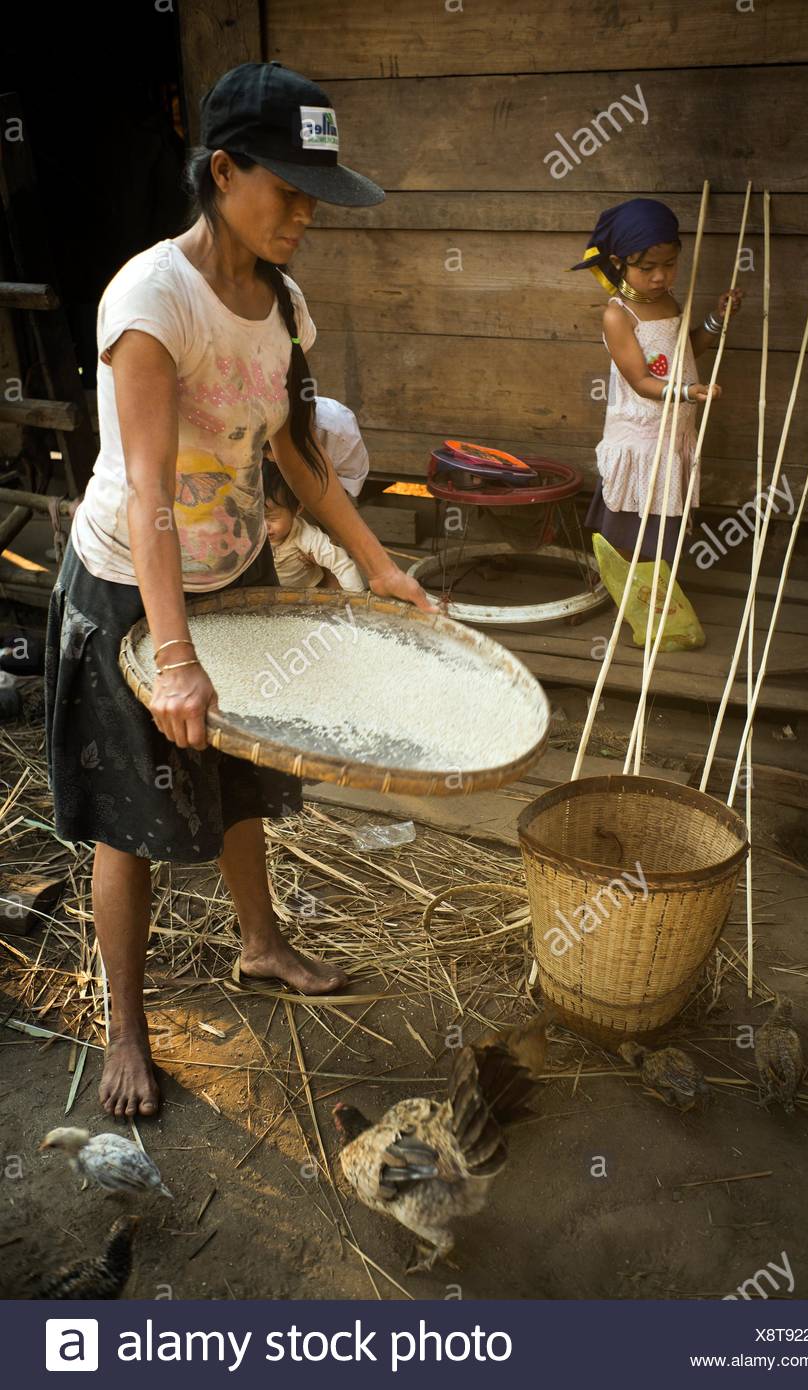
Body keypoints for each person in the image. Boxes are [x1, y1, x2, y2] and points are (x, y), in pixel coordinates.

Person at [43, 61, 436, 1120]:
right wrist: (172, 657)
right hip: (137, 586)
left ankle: (261, 943)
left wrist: (380, 565)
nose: (306, 212)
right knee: (135, 819)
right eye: (290, 188)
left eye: (318, 194)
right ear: (222, 170)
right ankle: (127, 1024)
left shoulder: (279, 296)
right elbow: (150, 495)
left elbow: (299, 453)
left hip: (233, 572)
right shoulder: (149, 301)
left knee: (238, 783)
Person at [572, 198, 742, 645]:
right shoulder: (618, 315)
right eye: (648, 267)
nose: (660, 276)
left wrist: (716, 319)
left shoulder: (666, 300)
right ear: (618, 263)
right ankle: (632, 605)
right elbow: (642, 380)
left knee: (660, 531)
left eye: (669, 264)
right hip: (642, 439)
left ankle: (650, 601)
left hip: (672, 437)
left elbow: (687, 351)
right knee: (631, 529)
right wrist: (688, 392)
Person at [262, 451, 365, 591]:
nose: (263, 526)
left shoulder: (306, 536)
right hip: (266, 596)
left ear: (297, 509)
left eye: (272, 518)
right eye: (255, 517)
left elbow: (340, 563)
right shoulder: (248, 535)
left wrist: (355, 599)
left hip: (306, 594)